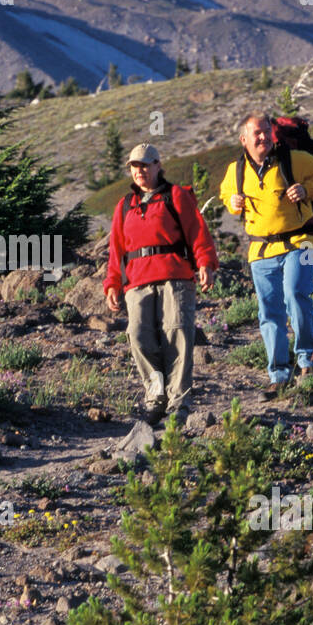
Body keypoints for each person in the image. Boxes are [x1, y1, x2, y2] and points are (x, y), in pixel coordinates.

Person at [221, 113, 313, 398]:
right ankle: (279, 375)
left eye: (265, 131)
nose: (262, 137)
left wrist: (307, 189)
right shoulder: (235, 171)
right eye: (256, 134)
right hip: (260, 251)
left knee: (296, 293)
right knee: (269, 311)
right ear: (244, 140)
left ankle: (308, 361)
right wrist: (232, 202)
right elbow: (226, 196)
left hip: (303, 243)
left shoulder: (294, 160)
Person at [103, 144, 219, 426]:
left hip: (175, 278)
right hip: (137, 282)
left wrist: (205, 264)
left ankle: (179, 402)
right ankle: (156, 397)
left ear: (157, 165)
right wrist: (112, 284)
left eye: (145, 165)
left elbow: (198, 232)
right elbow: (116, 250)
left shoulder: (176, 196)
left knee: (177, 336)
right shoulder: (124, 206)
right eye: (134, 166)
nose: (139, 171)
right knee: (139, 337)